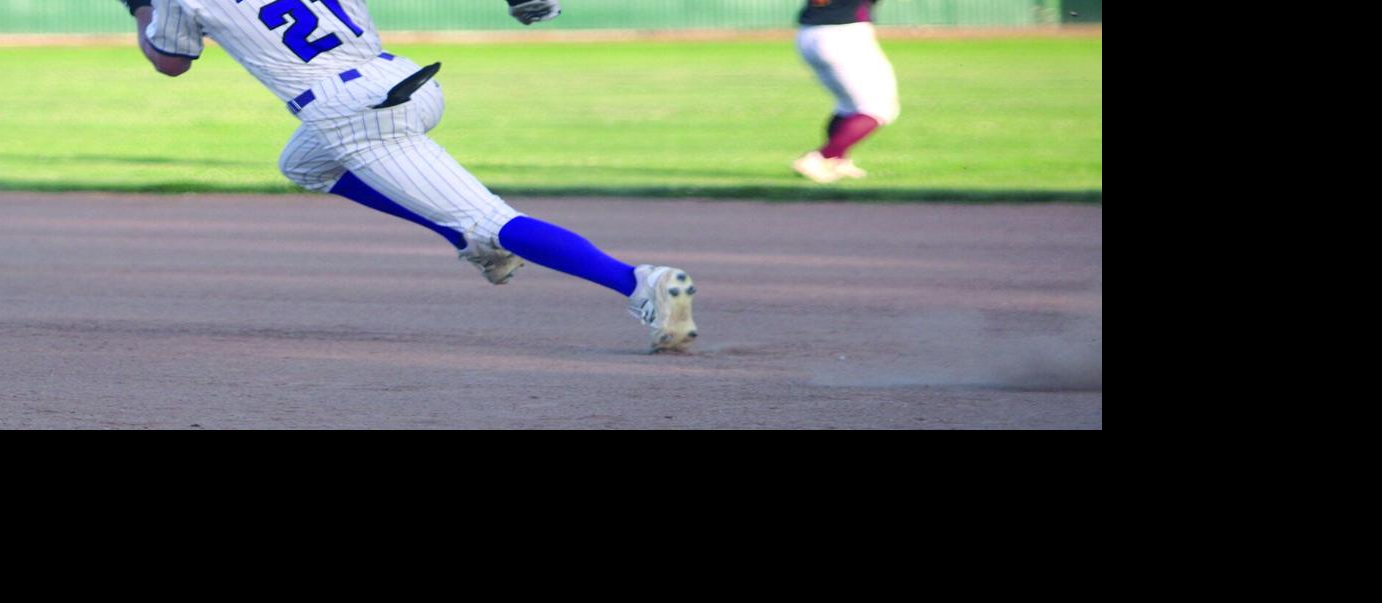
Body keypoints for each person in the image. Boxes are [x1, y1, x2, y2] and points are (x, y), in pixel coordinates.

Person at [121, 0, 697, 352]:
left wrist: (140, 6)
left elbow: (170, 61)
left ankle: (638, 282)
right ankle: (466, 241)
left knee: (492, 219)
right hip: (400, 79)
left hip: (353, 116)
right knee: (302, 164)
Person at [792, 0, 901, 184]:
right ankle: (821, 157)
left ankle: (836, 161)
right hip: (844, 34)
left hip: (809, 34)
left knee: (848, 105)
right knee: (879, 108)